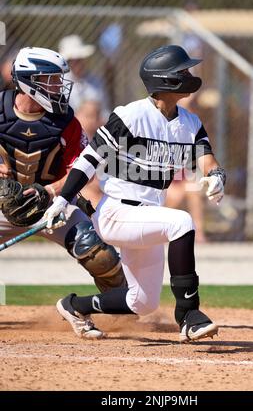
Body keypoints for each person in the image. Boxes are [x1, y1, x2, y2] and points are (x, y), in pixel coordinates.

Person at [45, 45, 226, 342]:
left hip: (147, 216)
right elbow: (89, 160)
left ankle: (74, 306)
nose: (190, 76)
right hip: (118, 212)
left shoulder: (190, 123)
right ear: (164, 80)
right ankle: (189, 315)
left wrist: (216, 177)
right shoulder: (130, 115)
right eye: (182, 71)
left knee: (142, 302)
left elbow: (208, 161)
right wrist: (62, 200)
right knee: (182, 222)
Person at [0, 47, 126, 336]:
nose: (59, 86)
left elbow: (81, 168)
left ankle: (123, 307)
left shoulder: (66, 121)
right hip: (2, 205)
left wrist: (51, 190)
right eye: (51, 80)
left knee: (97, 252)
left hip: (52, 206)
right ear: (30, 82)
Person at [58, 35, 110, 119]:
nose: (77, 63)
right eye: (72, 60)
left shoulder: (96, 81)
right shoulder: (60, 83)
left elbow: (105, 110)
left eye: (80, 59)